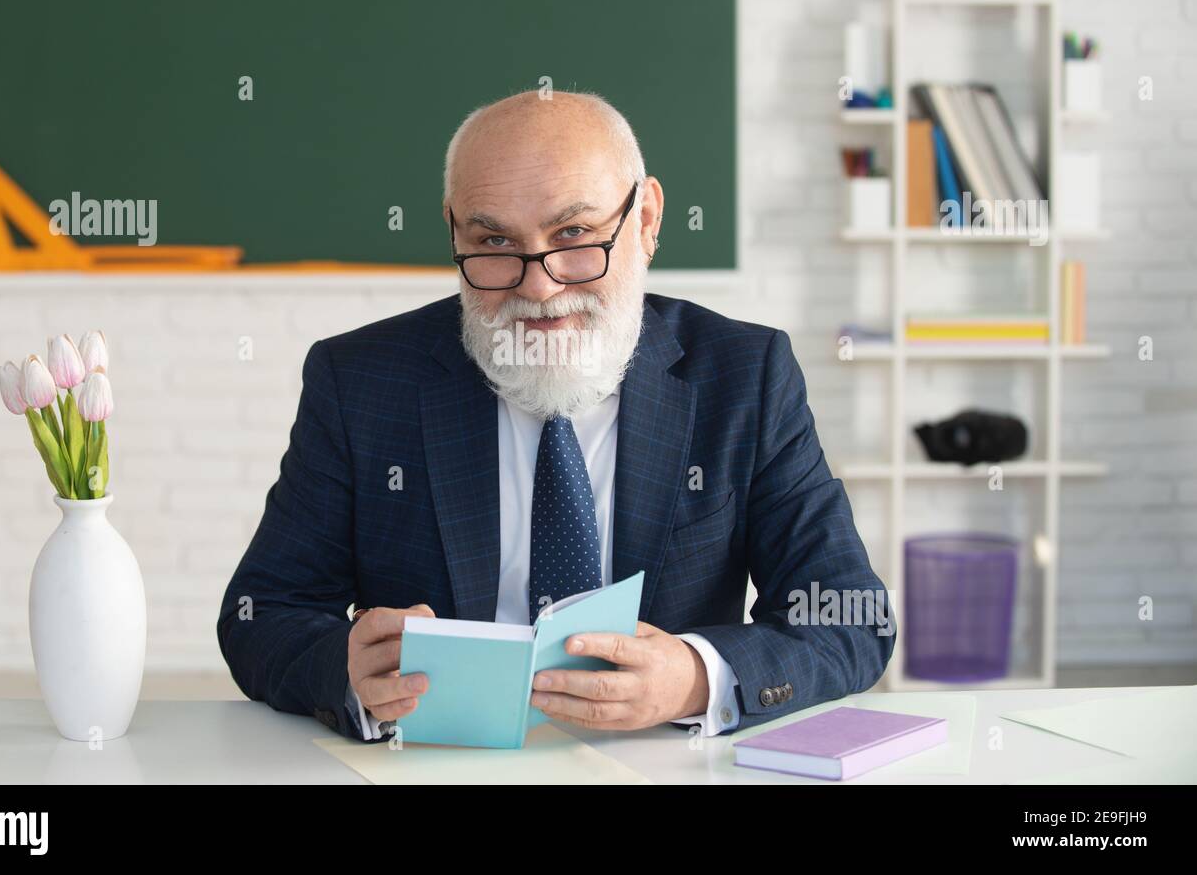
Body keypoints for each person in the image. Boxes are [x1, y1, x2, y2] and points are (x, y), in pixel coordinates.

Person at [218, 90, 893, 741]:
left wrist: (693, 677)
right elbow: (261, 614)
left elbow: (851, 620)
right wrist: (346, 667)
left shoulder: (747, 375)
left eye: (574, 233)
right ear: (455, 231)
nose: (538, 285)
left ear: (647, 220)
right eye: (494, 242)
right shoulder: (359, 380)